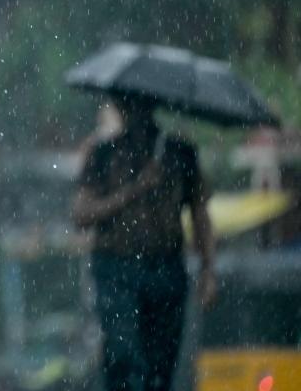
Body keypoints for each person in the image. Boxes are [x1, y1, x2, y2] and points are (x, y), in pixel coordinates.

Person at [72, 94, 217, 391]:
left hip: (166, 266)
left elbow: (200, 214)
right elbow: (82, 214)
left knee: (161, 363)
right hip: (116, 267)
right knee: (122, 354)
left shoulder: (179, 153)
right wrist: (132, 190)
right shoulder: (104, 153)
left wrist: (208, 269)